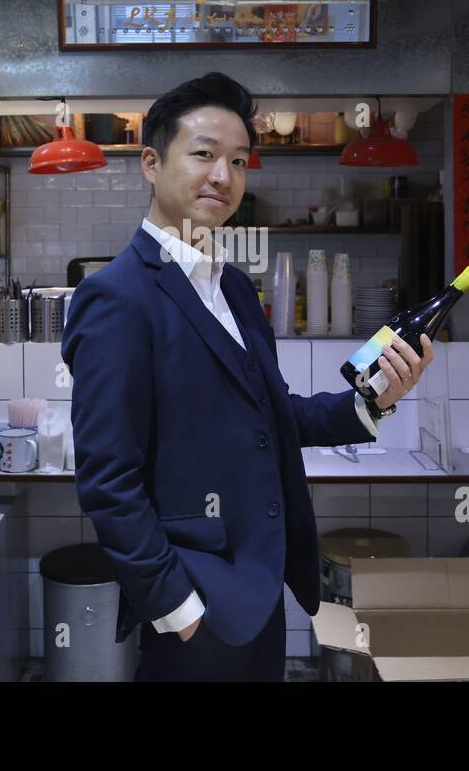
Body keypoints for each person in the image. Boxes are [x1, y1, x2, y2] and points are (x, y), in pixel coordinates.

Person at [60, 72, 434, 681]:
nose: (223, 176)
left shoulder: (233, 288)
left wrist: (370, 400)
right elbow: (107, 477)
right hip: (195, 597)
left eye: (238, 160)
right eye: (204, 154)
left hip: (261, 591)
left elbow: (270, 412)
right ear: (151, 164)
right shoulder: (117, 297)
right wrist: (175, 605)